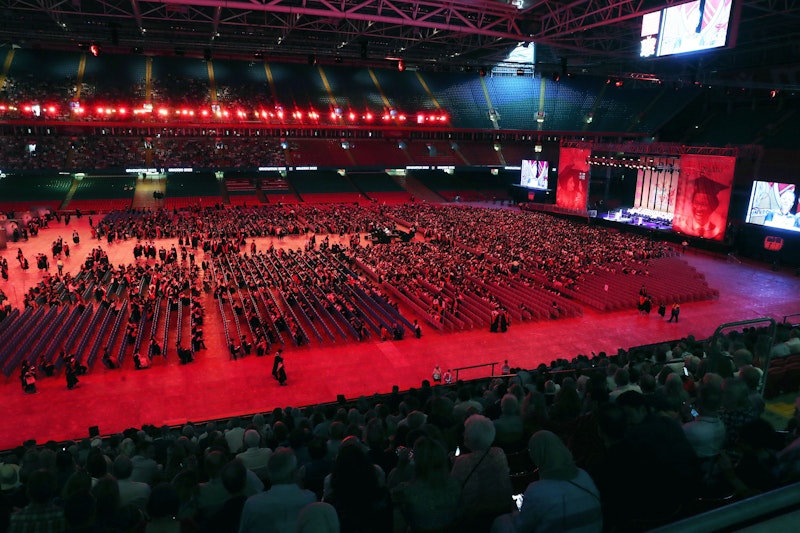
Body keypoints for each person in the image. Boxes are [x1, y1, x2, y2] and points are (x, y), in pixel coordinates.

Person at [491, 431, 602, 533]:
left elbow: (522, 527)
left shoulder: (537, 490)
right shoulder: (583, 474)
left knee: (500, 522)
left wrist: (515, 512)